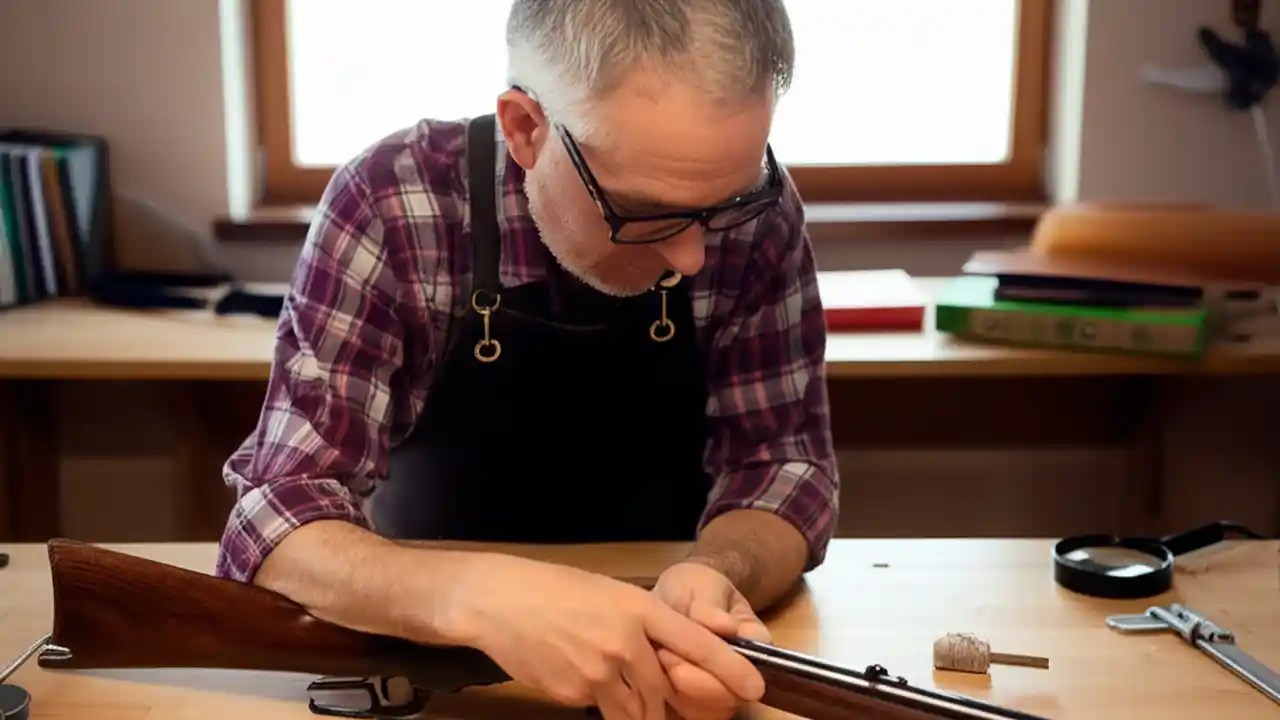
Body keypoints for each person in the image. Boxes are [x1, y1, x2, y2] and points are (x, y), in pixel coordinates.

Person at [214, 2, 838, 719]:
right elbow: (276, 518)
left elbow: (784, 469)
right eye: (644, 212)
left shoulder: (757, 211)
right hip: (428, 662)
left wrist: (717, 573)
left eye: (721, 207)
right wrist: (481, 599)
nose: (692, 254)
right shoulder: (393, 202)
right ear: (525, 128)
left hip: (664, 661)